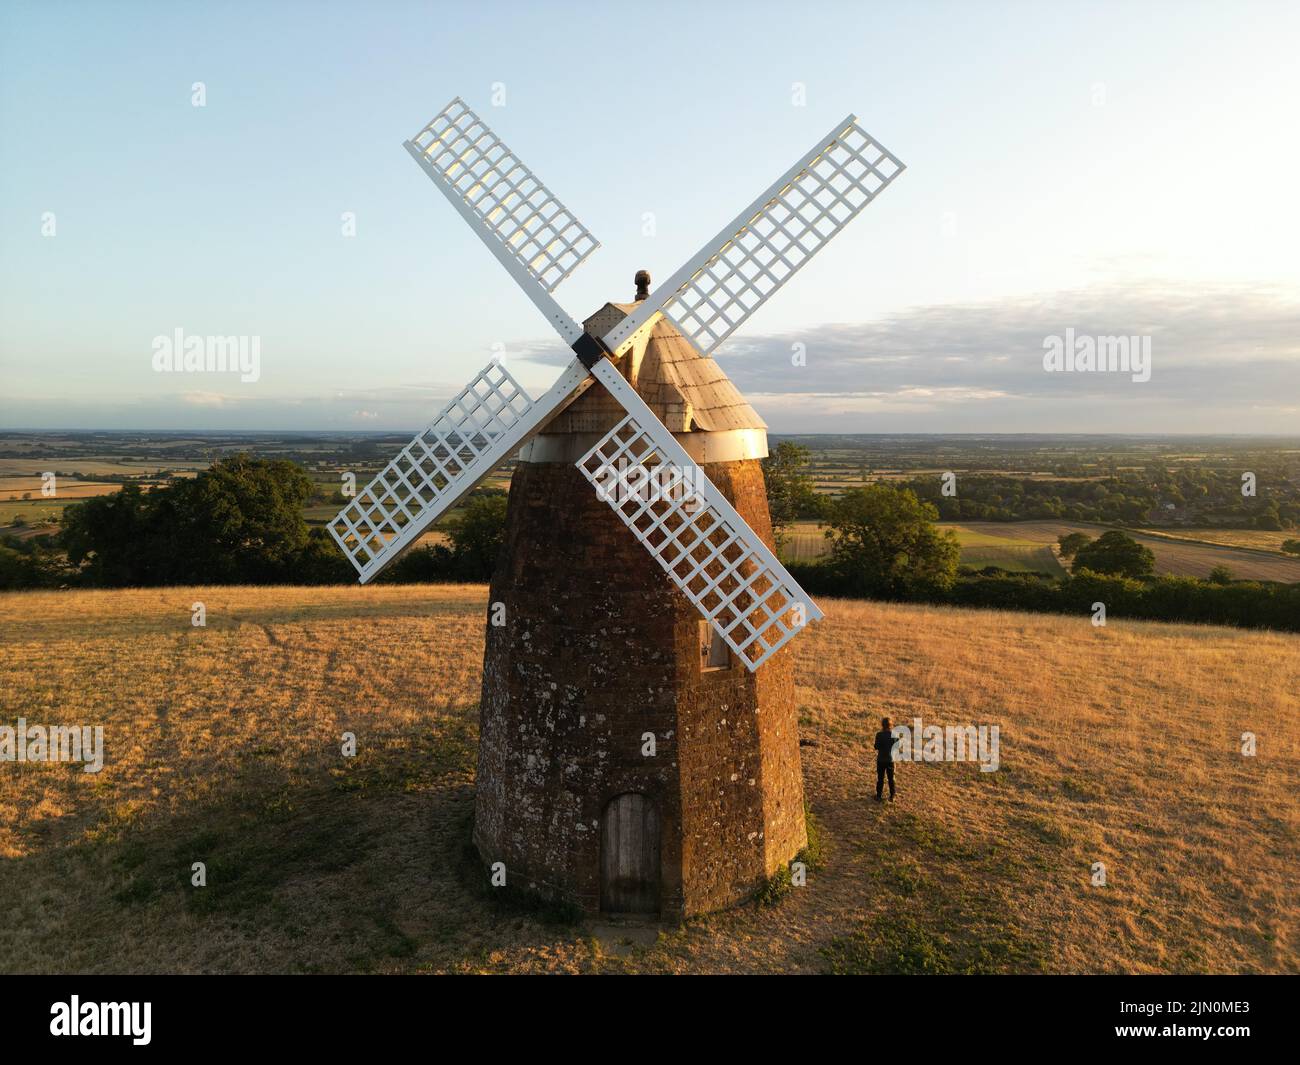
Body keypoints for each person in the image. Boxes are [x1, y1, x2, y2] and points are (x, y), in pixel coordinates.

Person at [873, 716, 898, 802]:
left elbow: (876, 747)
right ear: (891, 725)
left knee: (880, 778)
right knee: (891, 779)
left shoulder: (879, 735)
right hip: (890, 760)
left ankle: (879, 796)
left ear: (882, 725)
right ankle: (892, 796)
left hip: (881, 760)